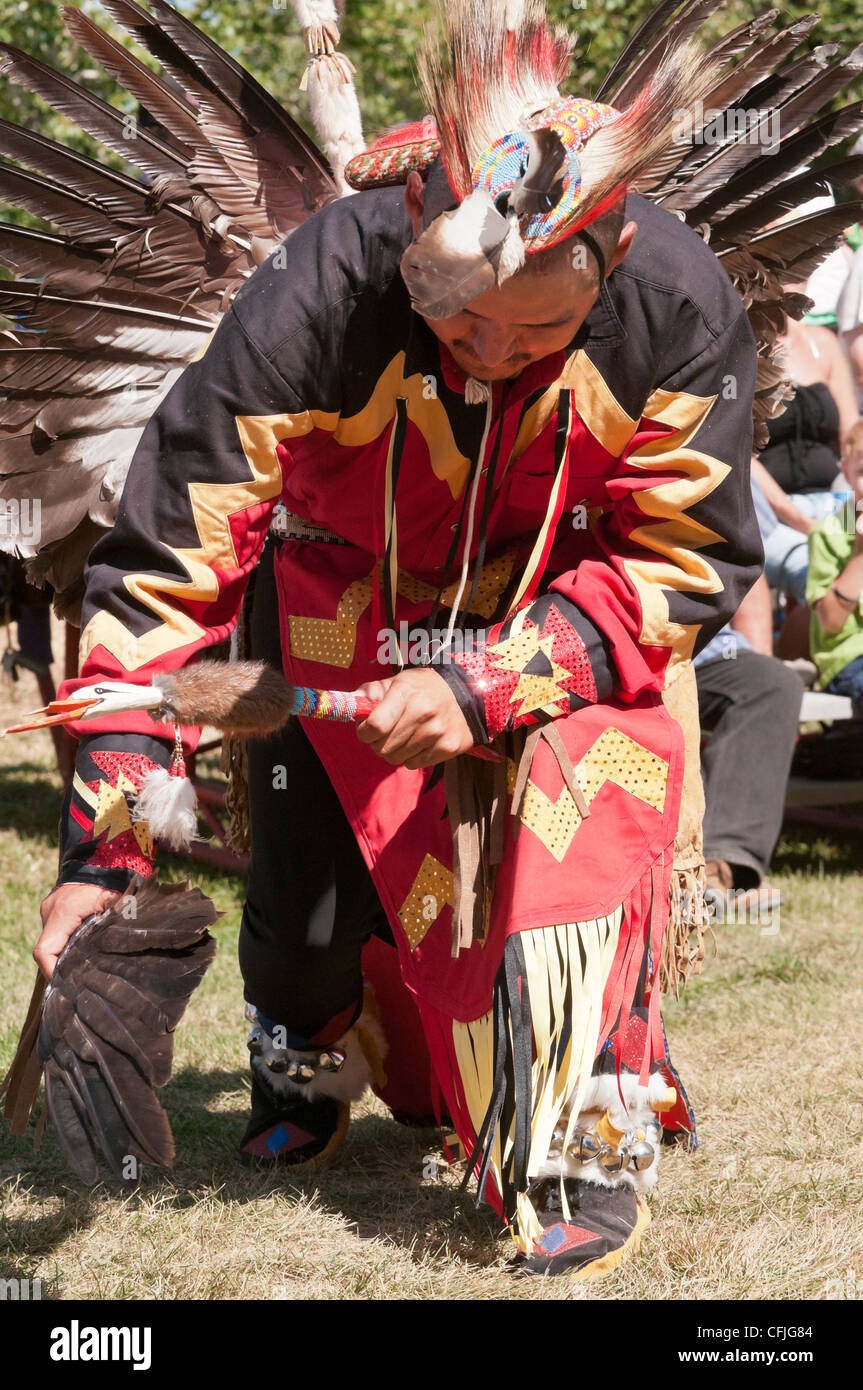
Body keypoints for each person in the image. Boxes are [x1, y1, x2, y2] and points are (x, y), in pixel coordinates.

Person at [15, 0, 858, 1280]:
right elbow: (159, 581)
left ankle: (584, 1122)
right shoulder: (312, 297)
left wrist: (495, 683)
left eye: (537, 332)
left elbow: (685, 561)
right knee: (304, 910)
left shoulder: (675, 307)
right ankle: (305, 1055)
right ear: (415, 238)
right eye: (464, 321)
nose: (492, 357)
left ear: (612, 259)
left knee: (578, 840)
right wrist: (106, 854)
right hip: (342, 597)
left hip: (564, 612)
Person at [694, 576, 803, 919]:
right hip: (614, 638)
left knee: (772, 683)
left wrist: (760, 656)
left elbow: (745, 562)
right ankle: (675, 872)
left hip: (703, 652)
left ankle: (723, 868)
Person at [807, 421, 863, 711]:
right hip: (849, 657)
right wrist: (860, 552)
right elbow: (830, 623)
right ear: (847, 474)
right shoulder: (829, 533)